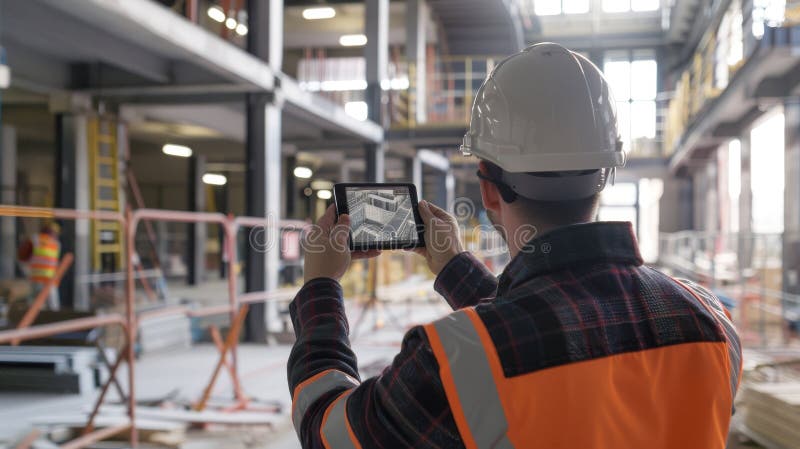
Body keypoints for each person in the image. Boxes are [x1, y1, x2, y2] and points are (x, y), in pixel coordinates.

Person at [287, 43, 741, 449]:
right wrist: (454, 266)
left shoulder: (451, 360)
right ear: (606, 173)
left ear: (488, 191)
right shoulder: (712, 322)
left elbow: (327, 430)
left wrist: (320, 286)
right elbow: (550, 323)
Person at [17, 221, 62, 310]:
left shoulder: (34, 240)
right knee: (53, 307)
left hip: (37, 279)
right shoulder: (56, 244)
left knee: (34, 307)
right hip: (50, 280)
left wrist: (26, 271)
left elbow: (22, 257)